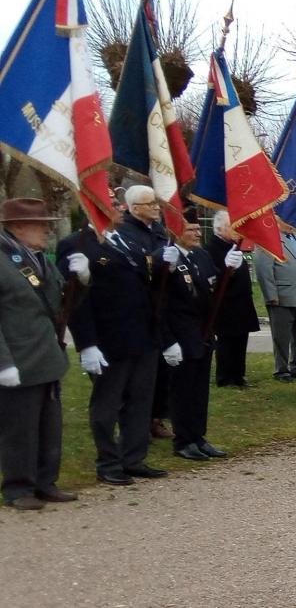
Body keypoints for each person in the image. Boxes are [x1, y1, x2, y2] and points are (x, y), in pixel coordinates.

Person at [58, 207, 168, 486]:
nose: (119, 207)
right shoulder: (76, 244)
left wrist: (163, 262)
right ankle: (107, 462)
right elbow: (73, 300)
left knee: (140, 402)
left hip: (143, 334)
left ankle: (133, 458)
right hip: (108, 339)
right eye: (110, 201)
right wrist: (86, 344)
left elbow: (145, 281)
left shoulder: (125, 239)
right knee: (107, 404)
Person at [0, 198, 88, 510]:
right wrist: (3, 363)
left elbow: (59, 305)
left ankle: (45, 481)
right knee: (19, 429)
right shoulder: (3, 260)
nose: (46, 231)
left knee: (49, 426)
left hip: (46, 356)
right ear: (18, 227)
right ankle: (17, 488)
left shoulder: (37, 258)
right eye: (40, 224)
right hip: (18, 358)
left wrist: (81, 280)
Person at [157, 208, 231, 461]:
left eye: (199, 228)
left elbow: (212, 289)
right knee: (182, 391)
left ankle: (199, 436)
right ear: (176, 232)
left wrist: (227, 271)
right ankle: (183, 439)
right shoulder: (166, 259)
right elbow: (160, 302)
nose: (198, 233)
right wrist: (168, 341)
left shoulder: (200, 255)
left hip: (203, 332)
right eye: (191, 229)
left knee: (200, 391)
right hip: (180, 334)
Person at [116, 185, 172, 440]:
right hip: (139, 306)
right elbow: (140, 262)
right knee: (135, 374)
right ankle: (133, 421)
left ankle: (156, 417)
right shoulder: (125, 232)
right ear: (135, 208)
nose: (156, 207)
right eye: (150, 204)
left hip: (163, 305)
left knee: (160, 370)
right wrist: (161, 258)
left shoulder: (159, 230)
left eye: (156, 203)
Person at [206, 210, 259, 388]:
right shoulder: (212, 248)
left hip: (241, 302)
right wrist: (228, 268)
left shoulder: (234, 246)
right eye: (232, 226)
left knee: (240, 340)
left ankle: (238, 375)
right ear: (220, 228)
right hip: (226, 304)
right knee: (226, 342)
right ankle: (225, 377)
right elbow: (214, 275)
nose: (237, 230)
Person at [256, 224, 296, 381]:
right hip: (281, 296)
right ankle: (281, 369)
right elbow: (263, 269)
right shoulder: (269, 238)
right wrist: (270, 294)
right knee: (281, 336)